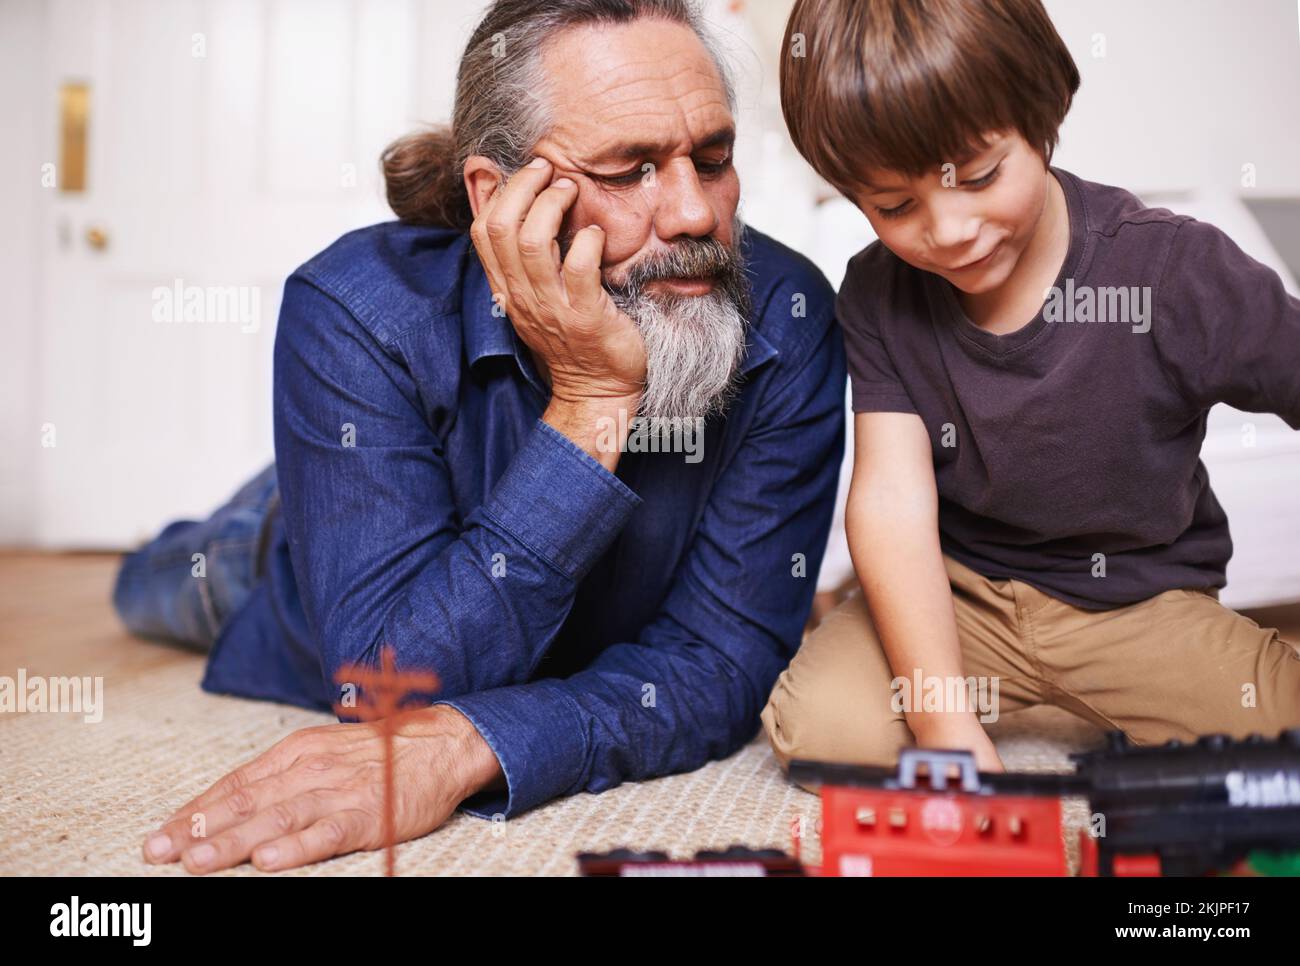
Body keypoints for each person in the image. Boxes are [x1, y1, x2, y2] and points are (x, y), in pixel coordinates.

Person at [113, 0, 845, 874]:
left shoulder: (790, 316)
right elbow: (389, 685)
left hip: (452, 515)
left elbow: (721, 665)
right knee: (148, 586)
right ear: (499, 198)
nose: (694, 212)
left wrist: (470, 742)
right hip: (275, 558)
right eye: (630, 169)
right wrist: (593, 399)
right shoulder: (354, 309)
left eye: (713, 159)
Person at [762, 0, 1300, 778]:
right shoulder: (878, 293)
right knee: (821, 730)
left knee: (1279, 741)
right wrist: (943, 722)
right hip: (959, 598)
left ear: (1044, 113)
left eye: (980, 176)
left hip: (1139, 603)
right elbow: (890, 499)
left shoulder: (1172, 268)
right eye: (895, 206)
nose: (949, 230)